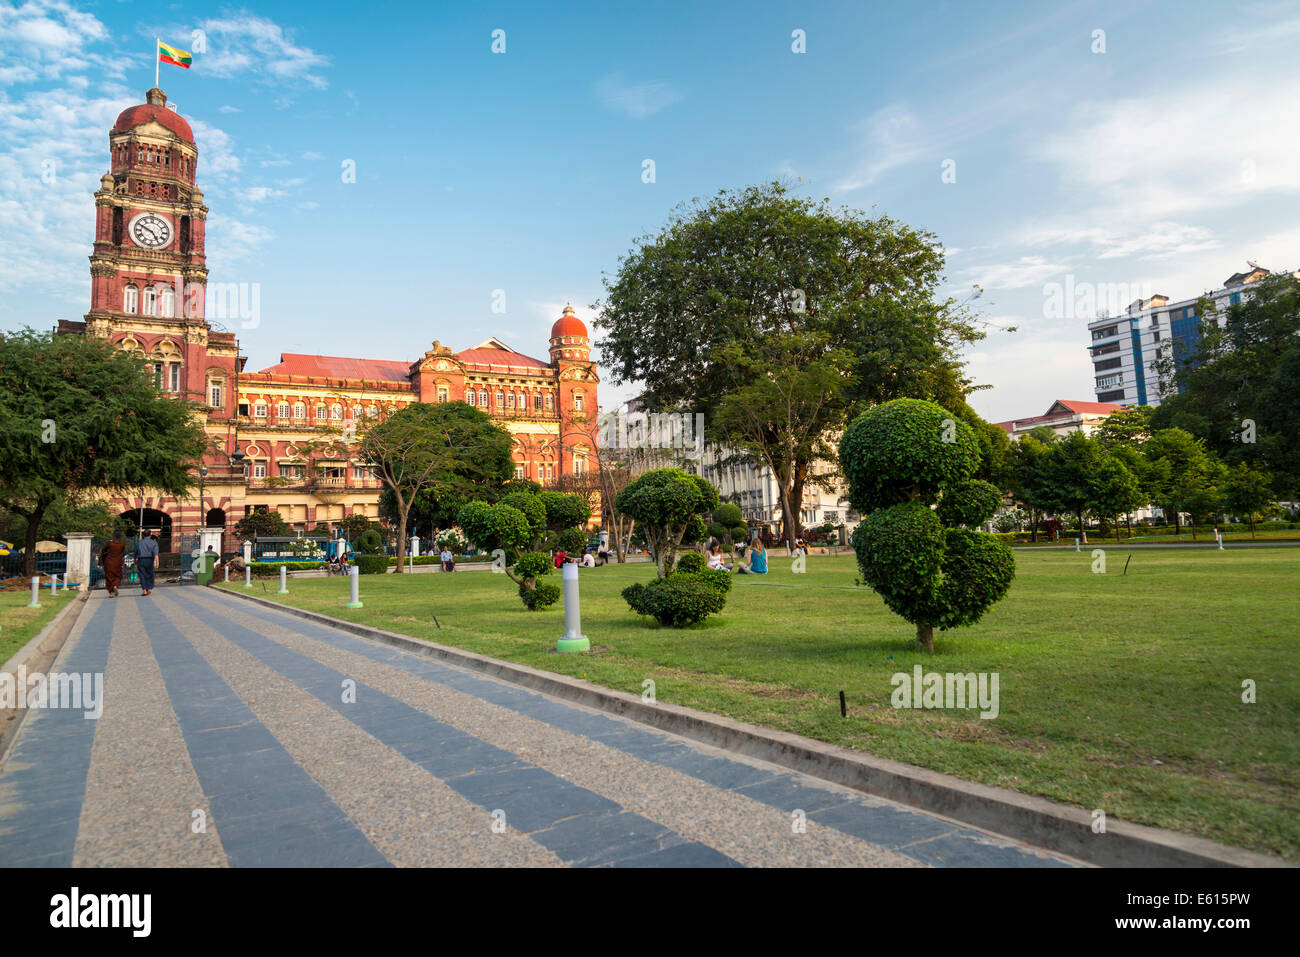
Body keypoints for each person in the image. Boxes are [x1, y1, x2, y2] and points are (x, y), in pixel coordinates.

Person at [98, 530, 126, 597]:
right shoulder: (122, 543)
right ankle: (115, 585)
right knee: (118, 576)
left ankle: (110, 593)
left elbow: (103, 550)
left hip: (109, 562)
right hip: (118, 562)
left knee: (109, 577)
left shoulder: (109, 543)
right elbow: (122, 551)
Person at [135, 529, 159, 595]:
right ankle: (148, 587)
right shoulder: (154, 543)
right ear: (150, 535)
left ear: (143, 535)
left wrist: (135, 560)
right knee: (150, 574)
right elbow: (156, 554)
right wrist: (157, 562)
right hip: (149, 560)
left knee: (142, 574)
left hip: (141, 560)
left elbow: (135, 553)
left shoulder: (138, 543)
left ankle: (144, 590)